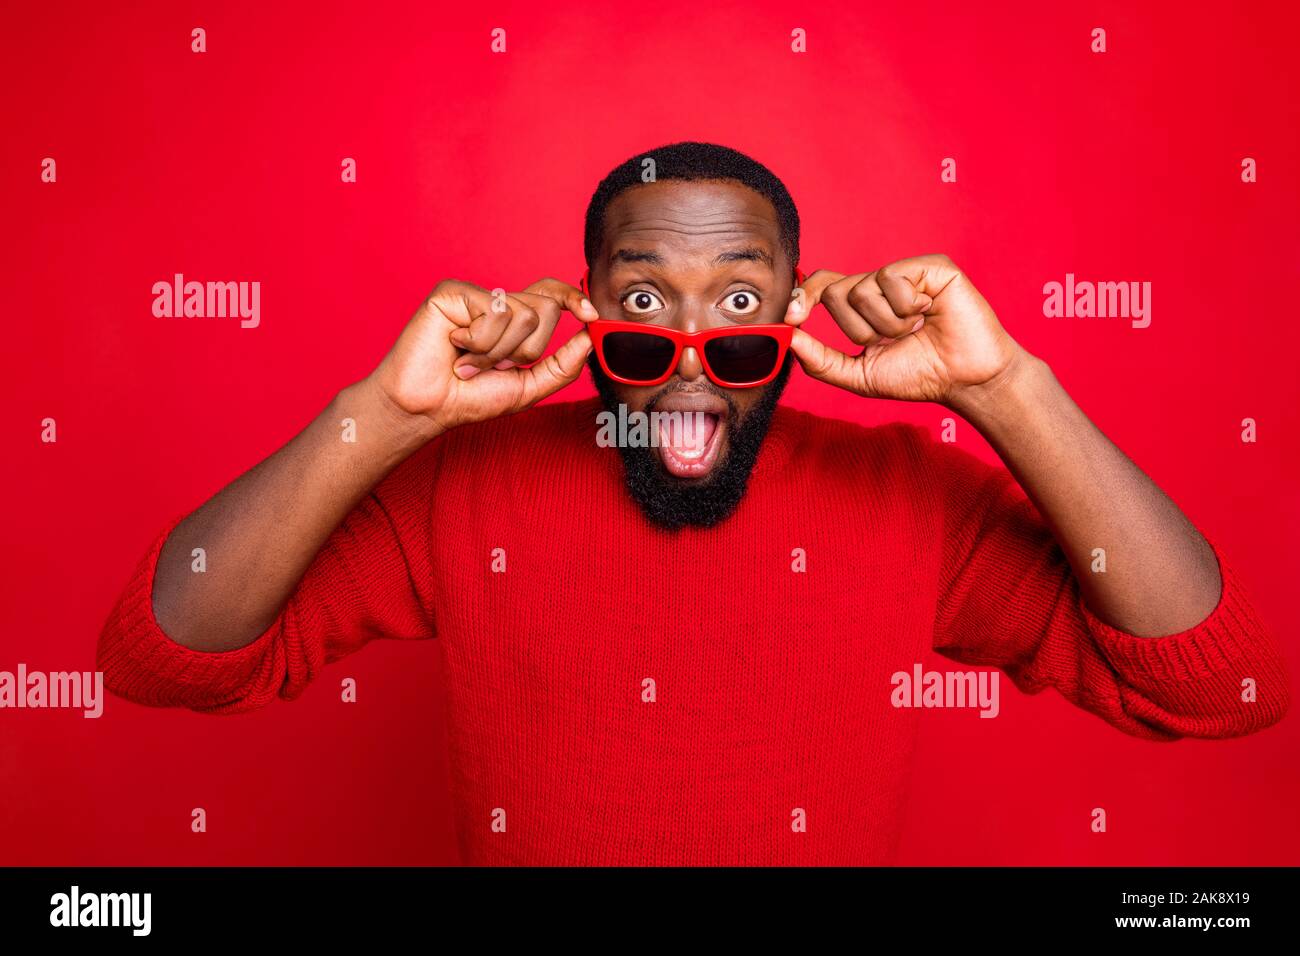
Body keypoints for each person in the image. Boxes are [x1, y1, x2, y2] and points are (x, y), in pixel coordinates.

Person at [98, 142, 1289, 865]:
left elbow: (1217, 687)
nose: (683, 351)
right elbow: (168, 652)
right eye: (643, 297)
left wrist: (1006, 389)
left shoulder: (905, 497)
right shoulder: (463, 484)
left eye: (734, 302)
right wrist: (385, 411)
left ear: (789, 318)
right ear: (586, 310)